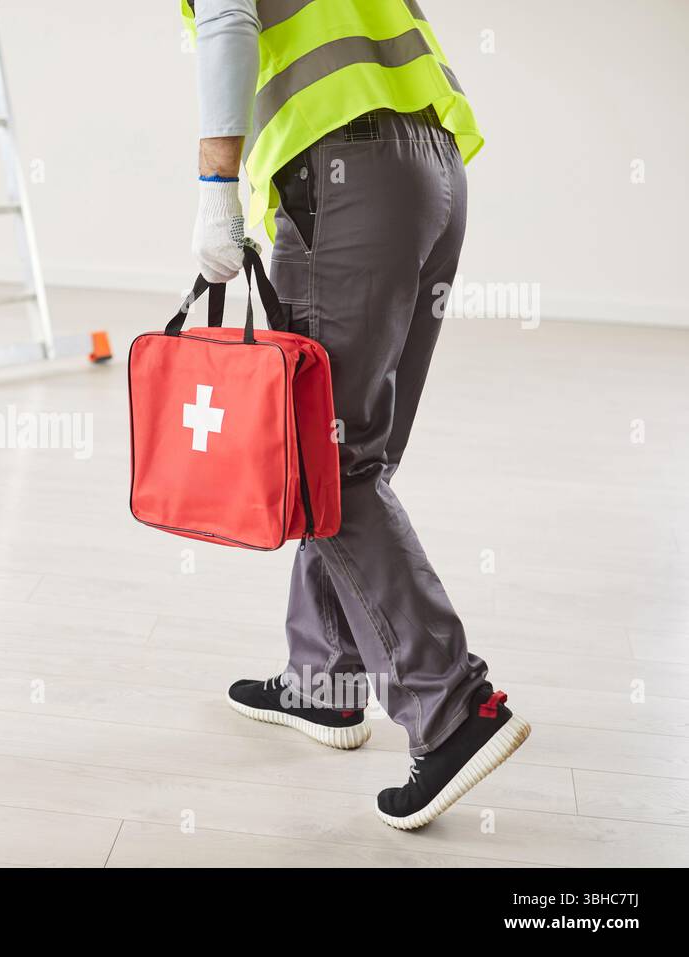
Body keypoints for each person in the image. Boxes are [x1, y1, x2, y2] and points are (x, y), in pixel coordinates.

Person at [187, 0, 529, 829]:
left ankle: (453, 710)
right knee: (350, 448)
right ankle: (328, 679)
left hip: (343, 171)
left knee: (326, 459)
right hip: (433, 165)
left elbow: (229, 21)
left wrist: (214, 186)